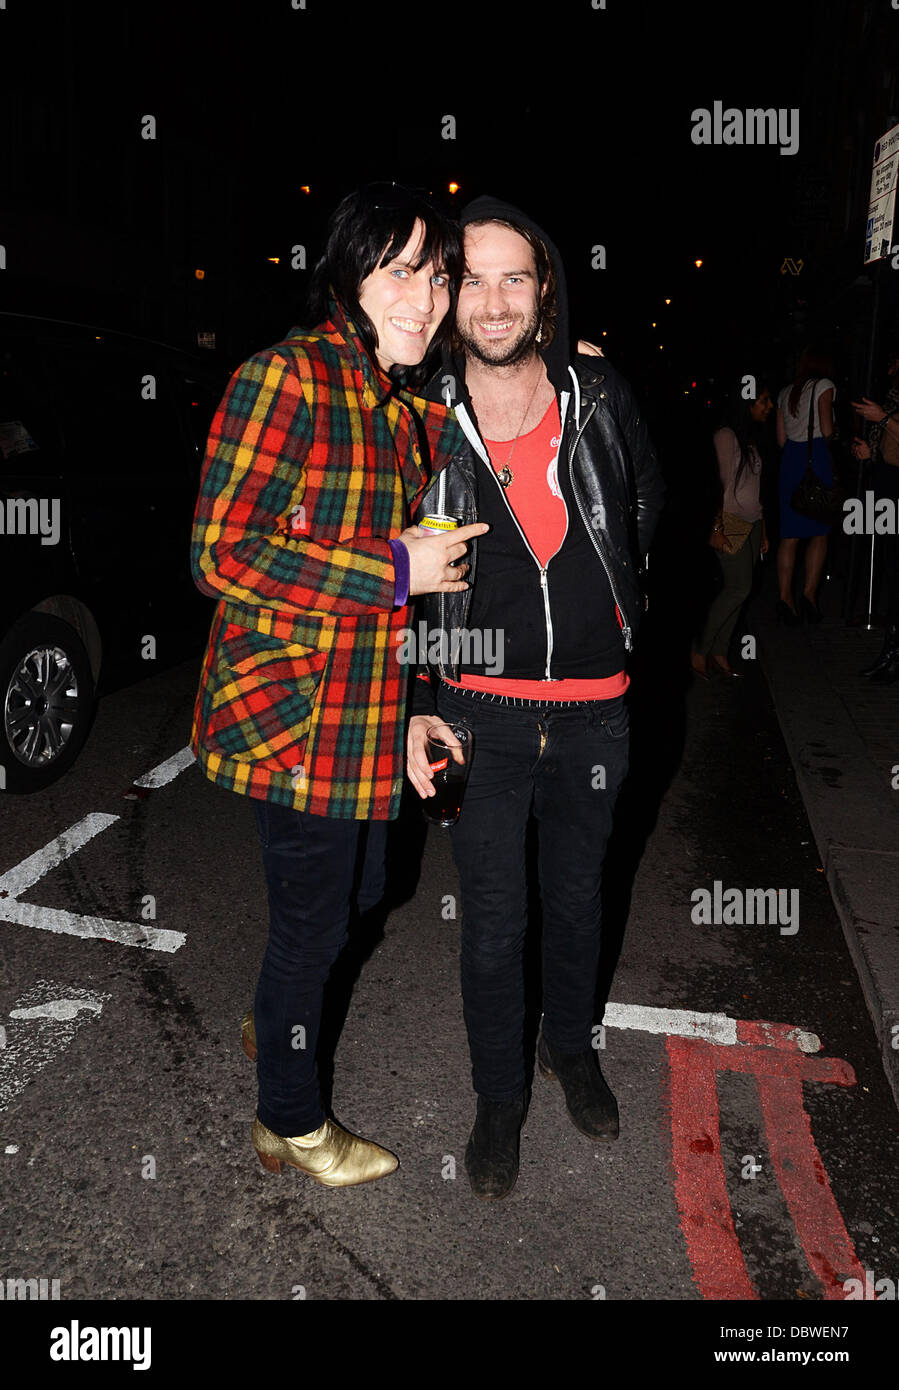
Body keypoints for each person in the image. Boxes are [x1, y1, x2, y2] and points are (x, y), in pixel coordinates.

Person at [190, 183, 487, 1188]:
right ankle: (291, 1119)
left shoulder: (403, 413)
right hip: (297, 715)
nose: (426, 297)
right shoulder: (284, 380)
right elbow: (221, 554)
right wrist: (391, 567)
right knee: (319, 918)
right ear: (347, 274)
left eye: (437, 277)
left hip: (367, 712)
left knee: (364, 891)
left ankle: (278, 1010)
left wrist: (410, 710)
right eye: (400, 270)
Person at [406, 197, 665, 1199]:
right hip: (478, 710)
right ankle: (497, 1100)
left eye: (514, 276)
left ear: (543, 288)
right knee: (493, 919)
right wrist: (419, 695)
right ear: (447, 297)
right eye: (471, 279)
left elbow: (642, 504)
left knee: (576, 897)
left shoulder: (594, 392)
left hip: (596, 705)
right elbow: (395, 562)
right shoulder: (423, 416)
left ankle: (572, 1049)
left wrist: (607, 612)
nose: (494, 299)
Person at [690, 387, 772, 679]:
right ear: (747, 403)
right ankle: (701, 649)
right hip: (730, 521)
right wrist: (716, 527)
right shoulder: (726, 435)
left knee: (740, 591)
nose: (769, 405)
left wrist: (763, 530)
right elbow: (721, 485)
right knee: (738, 588)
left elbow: (755, 489)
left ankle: (719, 652)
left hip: (751, 523)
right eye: (764, 400)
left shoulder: (751, 438)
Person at [775, 348, 837, 624]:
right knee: (819, 532)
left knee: (789, 536)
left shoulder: (785, 392)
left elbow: (780, 440)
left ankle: (784, 598)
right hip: (816, 458)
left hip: (790, 460)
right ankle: (808, 595)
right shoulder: (824, 386)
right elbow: (827, 430)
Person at [851, 349, 899, 681]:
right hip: (888, 485)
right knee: (893, 571)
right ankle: (892, 652)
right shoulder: (894, 397)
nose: (892, 366)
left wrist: (882, 418)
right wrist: (869, 454)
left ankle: (893, 654)